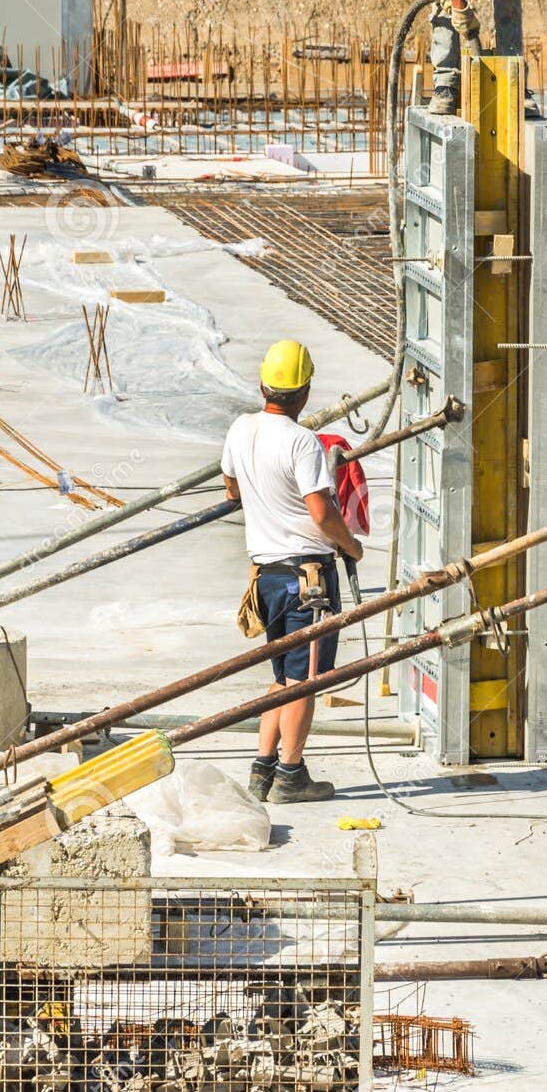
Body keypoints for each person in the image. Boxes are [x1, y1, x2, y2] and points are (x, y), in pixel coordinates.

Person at [221, 340, 363, 805]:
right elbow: (322, 512)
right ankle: (290, 774)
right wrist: (351, 545)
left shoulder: (241, 429)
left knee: (283, 675)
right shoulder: (302, 442)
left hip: (266, 578)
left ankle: (262, 767)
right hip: (309, 579)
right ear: (304, 393)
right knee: (306, 680)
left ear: (262, 384)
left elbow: (231, 489)